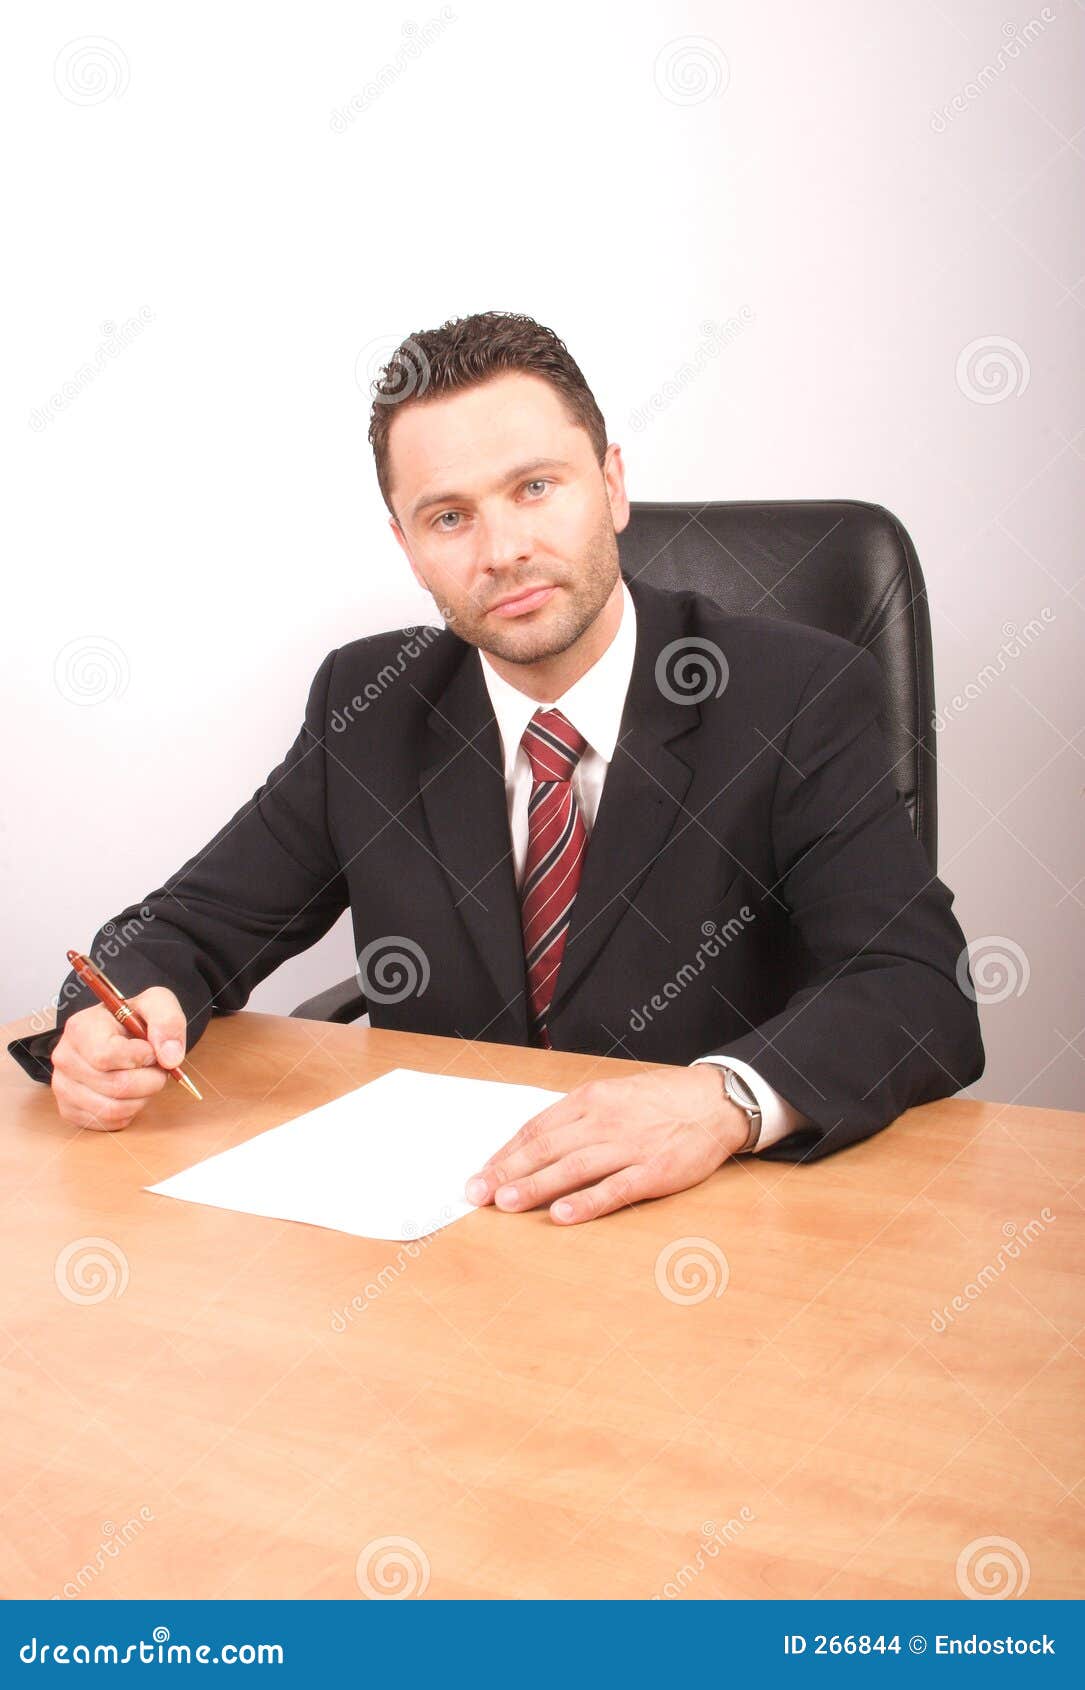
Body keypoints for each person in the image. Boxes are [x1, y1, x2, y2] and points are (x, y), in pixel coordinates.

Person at [9, 311, 984, 1225]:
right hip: (447, 1225)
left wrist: (720, 1100)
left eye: (534, 488)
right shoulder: (370, 705)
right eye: (448, 517)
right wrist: (115, 1018)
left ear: (610, 484)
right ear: (407, 548)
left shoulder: (794, 691)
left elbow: (915, 988)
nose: (503, 551)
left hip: (716, 1220)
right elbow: (179, 930)